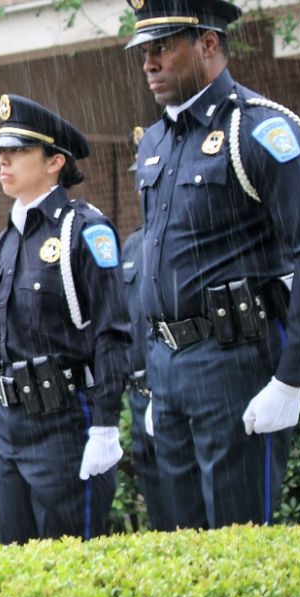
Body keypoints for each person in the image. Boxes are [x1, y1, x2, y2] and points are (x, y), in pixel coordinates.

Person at [125, 0, 300, 529]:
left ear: (208, 44)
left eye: (164, 46)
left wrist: (291, 379)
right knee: (179, 553)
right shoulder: (154, 142)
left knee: (238, 544)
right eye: (145, 51)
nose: (150, 62)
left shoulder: (260, 127)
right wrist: (157, 374)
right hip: (169, 371)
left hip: (237, 363)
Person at [0, 94, 132, 544]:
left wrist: (106, 424)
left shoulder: (84, 230)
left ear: (54, 162)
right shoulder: (8, 237)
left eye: (18, 151)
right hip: (12, 429)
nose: (3, 160)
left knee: (67, 571)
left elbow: (113, 333)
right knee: (17, 573)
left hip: (65, 427)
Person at [119, 129, 169, 531]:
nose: (142, 187)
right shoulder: (133, 246)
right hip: (138, 398)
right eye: (138, 178)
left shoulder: (180, 240)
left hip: (173, 389)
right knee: (158, 511)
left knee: (189, 517)